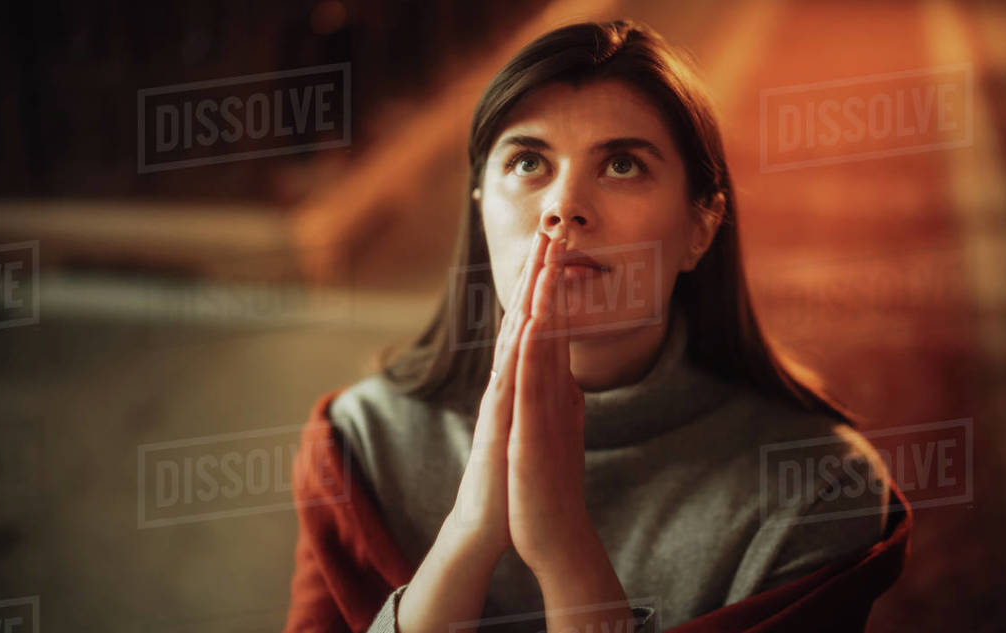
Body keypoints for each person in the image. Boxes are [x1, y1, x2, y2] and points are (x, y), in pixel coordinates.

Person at [284, 19, 911, 633]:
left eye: (622, 167)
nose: (562, 207)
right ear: (479, 209)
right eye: (529, 162)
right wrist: (469, 536)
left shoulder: (818, 484)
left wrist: (564, 547)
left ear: (702, 226)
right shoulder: (360, 441)